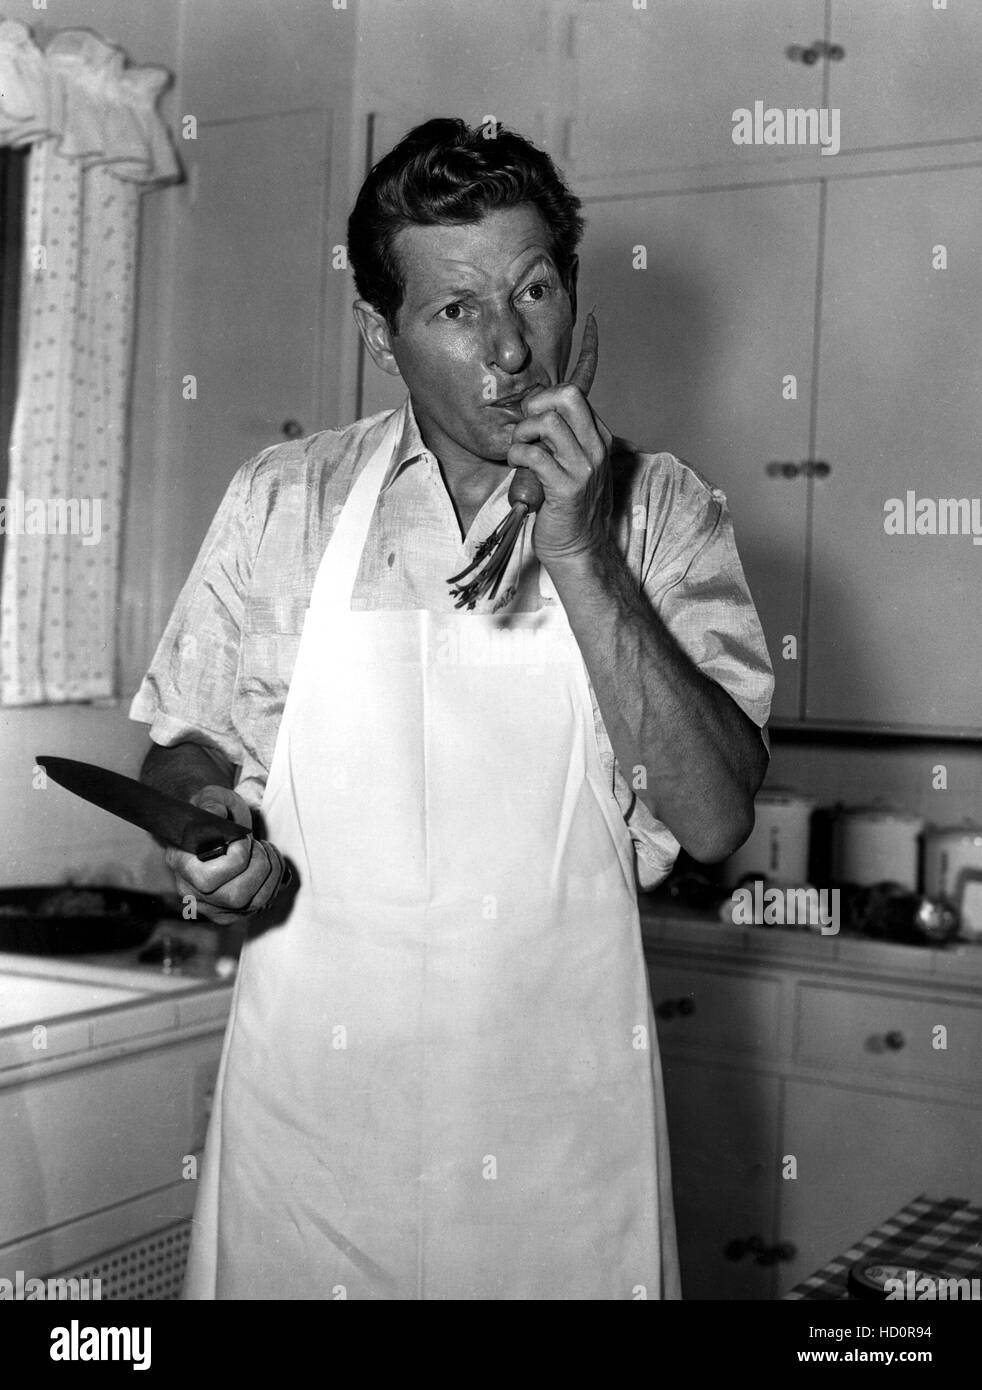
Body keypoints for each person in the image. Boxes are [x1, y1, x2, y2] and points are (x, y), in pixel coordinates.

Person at [131, 117, 773, 1300]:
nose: (512, 352)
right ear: (381, 335)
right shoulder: (286, 500)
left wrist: (582, 553)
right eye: (457, 310)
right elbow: (187, 751)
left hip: (556, 1146)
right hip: (312, 1144)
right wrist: (202, 826)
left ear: (576, 297)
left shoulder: (663, 510)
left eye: (534, 291)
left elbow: (718, 814)